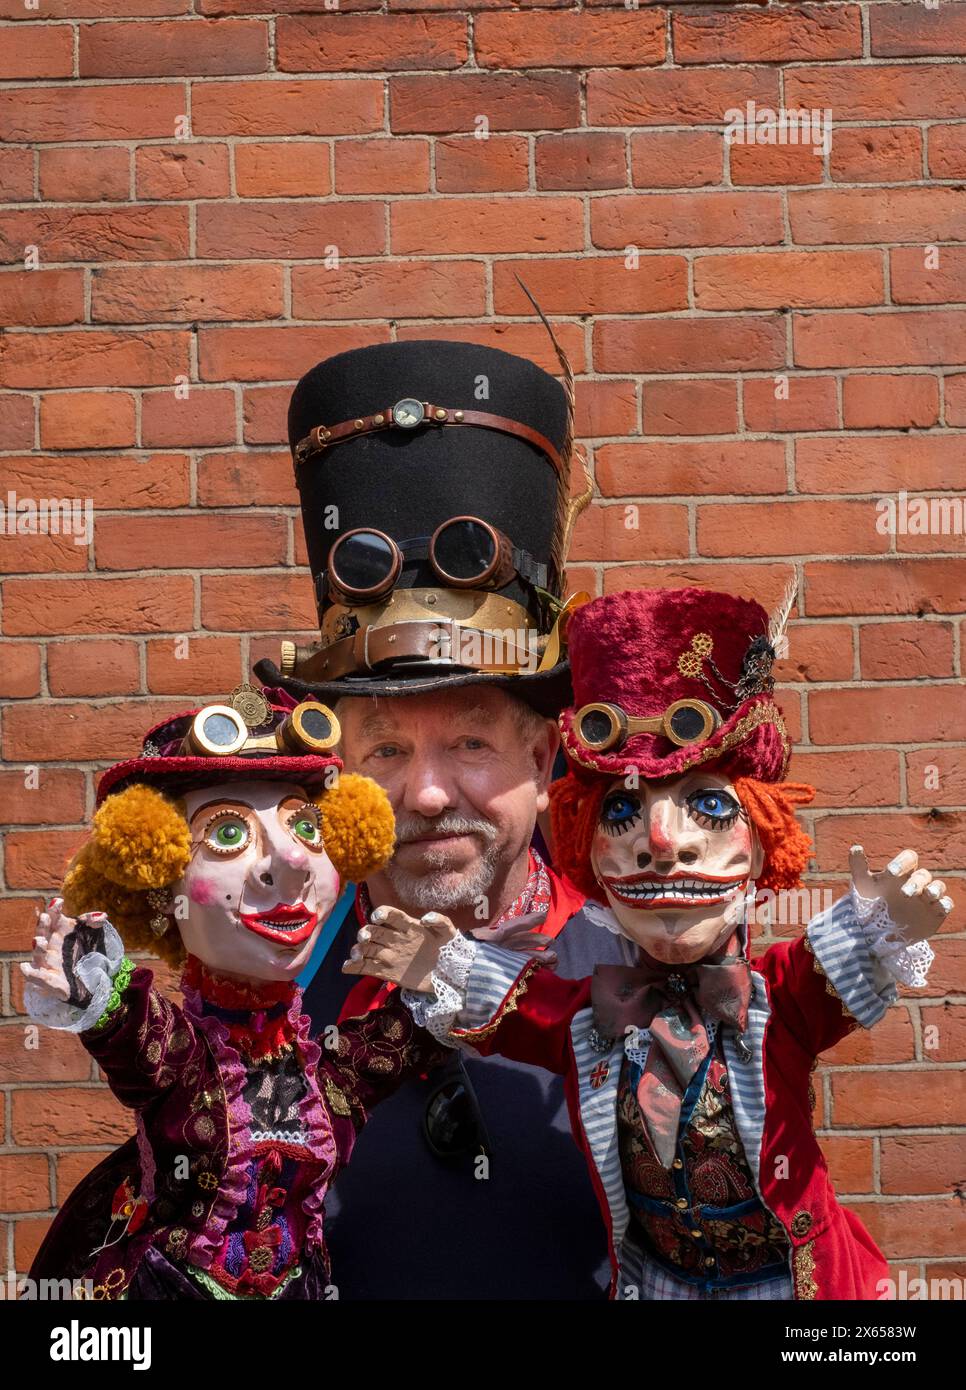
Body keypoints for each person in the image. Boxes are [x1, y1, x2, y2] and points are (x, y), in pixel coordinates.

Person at [346, 585, 953, 1300]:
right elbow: (516, 1003)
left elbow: (832, 972)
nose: (661, 844)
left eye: (708, 804)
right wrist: (431, 962)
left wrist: (890, 923)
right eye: (625, 810)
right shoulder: (587, 1014)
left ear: (761, 841)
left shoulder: (778, 1000)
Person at [252, 331, 633, 1299]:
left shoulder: (642, 981)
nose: (426, 794)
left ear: (543, 757)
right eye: (385, 751)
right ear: (337, 770)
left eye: (470, 743)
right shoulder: (267, 997)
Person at [21, 687, 447, 1300]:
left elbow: (397, 1046)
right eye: (227, 833)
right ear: (159, 878)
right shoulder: (181, 1058)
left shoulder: (322, 1074)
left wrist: (439, 980)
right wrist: (96, 995)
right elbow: (142, 1045)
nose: (292, 859)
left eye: (306, 824)